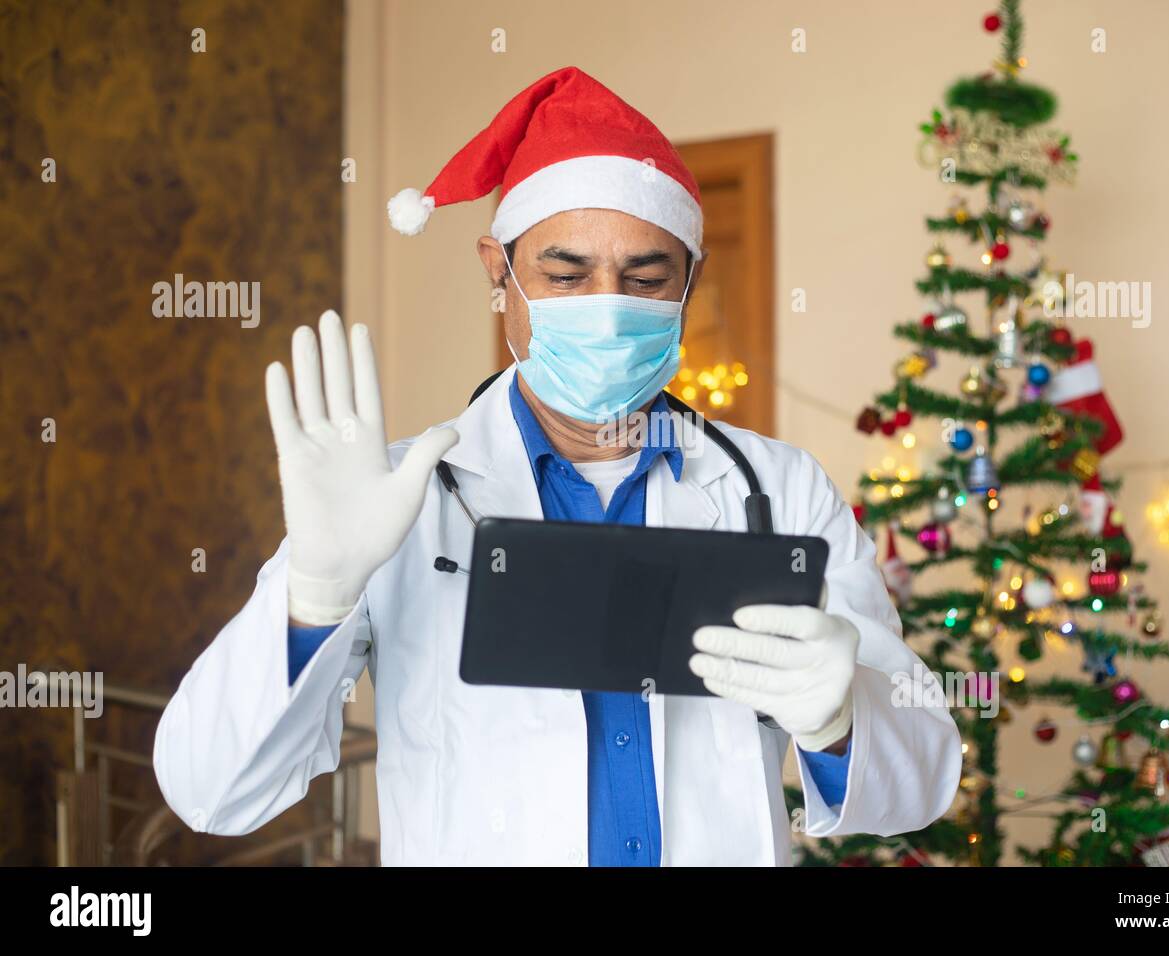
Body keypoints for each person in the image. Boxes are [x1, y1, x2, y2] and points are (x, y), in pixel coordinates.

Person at [153, 66, 960, 866]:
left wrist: (839, 722)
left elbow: (918, 787)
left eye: (646, 277)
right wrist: (315, 597)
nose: (606, 307)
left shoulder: (779, 490)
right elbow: (213, 790)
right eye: (565, 275)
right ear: (497, 272)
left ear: (690, 284)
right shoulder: (394, 502)